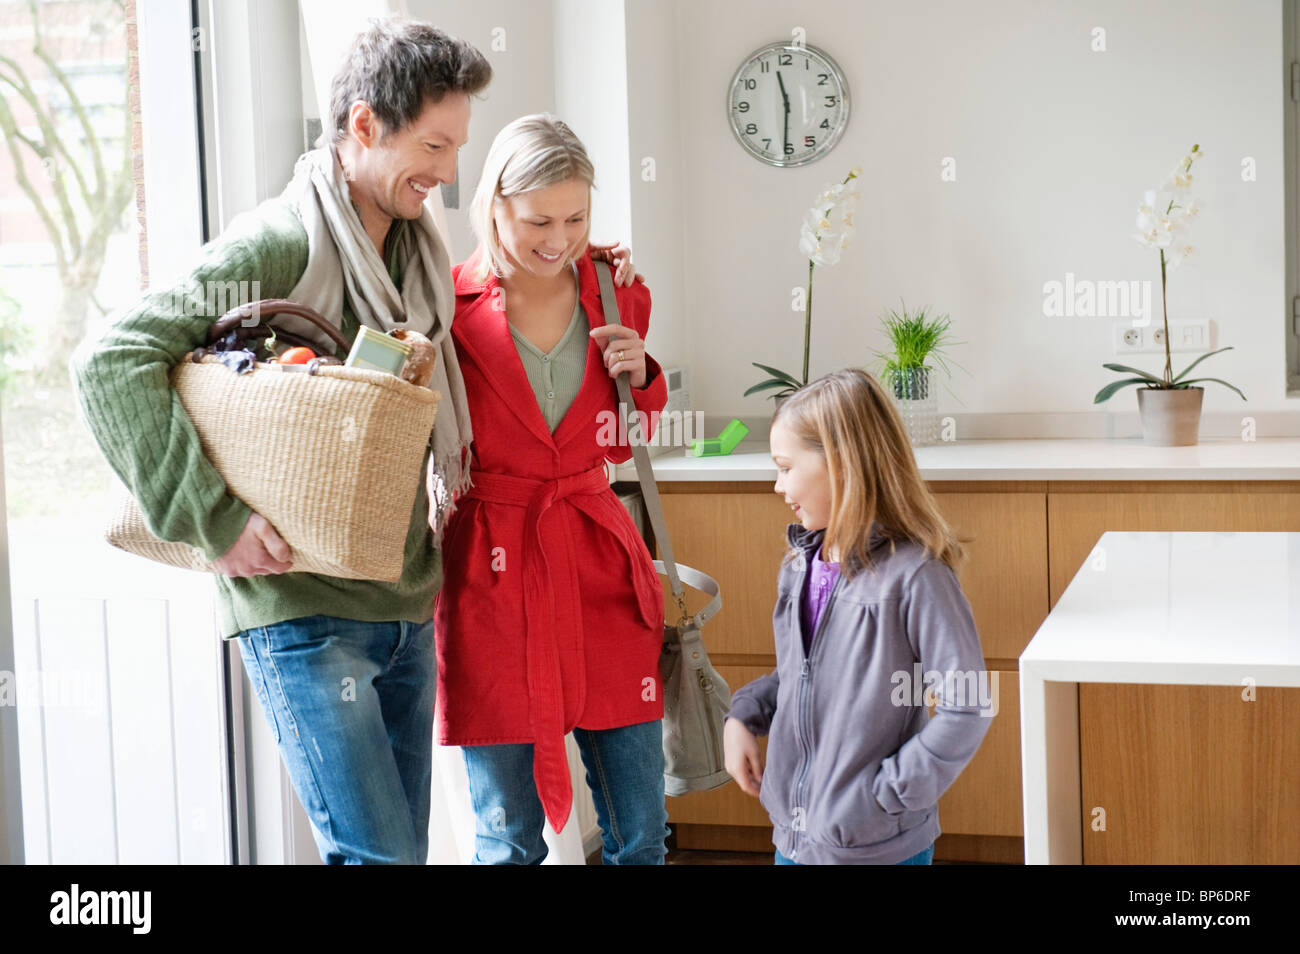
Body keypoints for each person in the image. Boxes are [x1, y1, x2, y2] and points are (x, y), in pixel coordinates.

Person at [70, 19, 629, 865]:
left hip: (401, 594)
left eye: (456, 150)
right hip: (301, 606)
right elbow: (111, 358)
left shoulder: (414, 251)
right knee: (379, 856)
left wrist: (584, 268)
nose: (446, 173)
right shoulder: (284, 239)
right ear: (363, 125)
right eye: (433, 146)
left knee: (396, 855)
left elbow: (484, 332)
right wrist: (214, 523)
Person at [435, 114, 670, 865]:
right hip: (491, 574)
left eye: (576, 217)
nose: (558, 237)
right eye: (539, 218)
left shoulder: (618, 292)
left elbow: (634, 434)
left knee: (641, 831)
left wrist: (646, 377)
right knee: (505, 838)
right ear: (493, 203)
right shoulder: (444, 307)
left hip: (600, 565)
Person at [723, 368, 995, 865]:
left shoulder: (915, 576)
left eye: (785, 467)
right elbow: (800, 678)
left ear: (842, 463)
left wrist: (885, 795)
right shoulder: (800, 566)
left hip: (877, 847)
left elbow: (968, 703)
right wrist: (743, 715)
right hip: (797, 838)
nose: (777, 484)